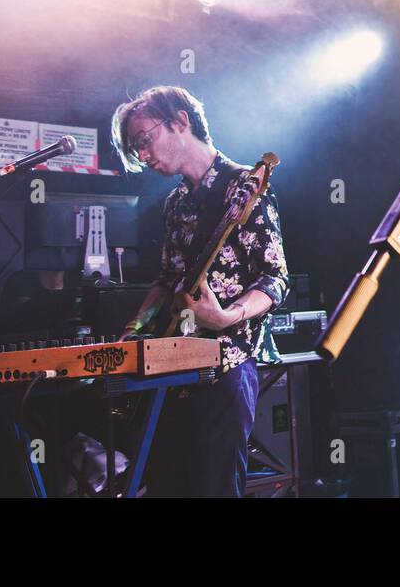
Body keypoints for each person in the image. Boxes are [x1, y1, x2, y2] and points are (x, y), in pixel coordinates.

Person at [111, 85, 288, 497]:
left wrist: (226, 317)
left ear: (179, 122)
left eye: (143, 140)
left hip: (224, 369)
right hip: (173, 367)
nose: (142, 155)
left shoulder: (245, 186)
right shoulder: (175, 204)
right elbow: (166, 279)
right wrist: (136, 325)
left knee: (214, 487)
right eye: (135, 149)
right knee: (169, 485)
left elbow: (274, 278)